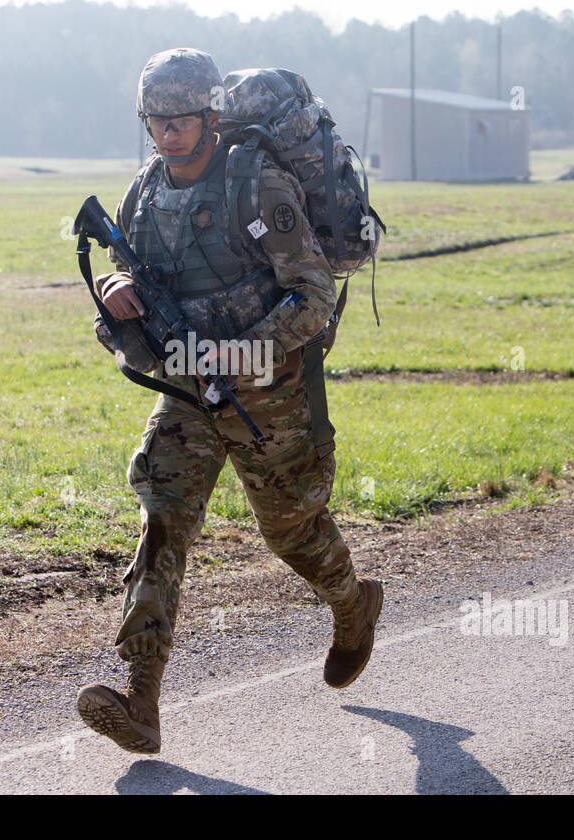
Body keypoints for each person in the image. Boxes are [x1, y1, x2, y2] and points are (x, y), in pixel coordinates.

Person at [76, 47, 383, 754]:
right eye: (156, 121)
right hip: (188, 392)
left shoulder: (257, 185)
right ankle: (141, 702)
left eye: (181, 120)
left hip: (268, 395)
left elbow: (313, 296)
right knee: (164, 521)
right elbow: (138, 291)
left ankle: (352, 605)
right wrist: (116, 301)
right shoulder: (145, 194)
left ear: (211, 117)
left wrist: (241, 353)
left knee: (291, 532)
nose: (168, 134)